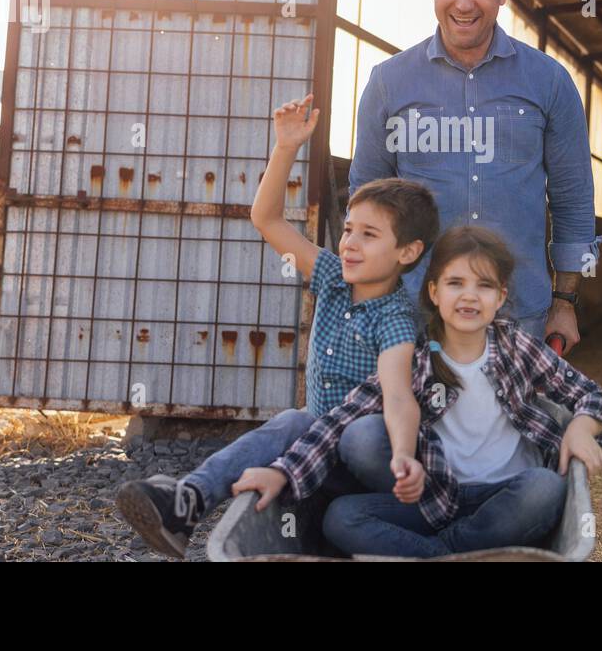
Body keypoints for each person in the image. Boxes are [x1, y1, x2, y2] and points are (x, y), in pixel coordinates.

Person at [115, 93, 439, 558]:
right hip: (315, 457)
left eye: (369, 235)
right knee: (297, 422)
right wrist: (286, 147)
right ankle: (188, 500)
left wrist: (405, 456)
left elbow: (398, 397)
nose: (349, 242)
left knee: (298, 420)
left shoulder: (396, 318)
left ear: (407, 252)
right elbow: (266, 218)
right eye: (348, 229)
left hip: (369, 464)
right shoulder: (331, 276)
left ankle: (193, 498)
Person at [233, 226, 602, 558]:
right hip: (438, 499)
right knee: (342, 516)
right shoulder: (413, 359)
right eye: (455, 283)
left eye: (483, 286)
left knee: (546, 488)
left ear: (499, 297)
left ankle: (433, 553)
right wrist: (283, 473)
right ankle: (458, 555)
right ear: (434, 292)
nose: (469, 296)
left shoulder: (516, 347)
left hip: (506, 496)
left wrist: (581, 427)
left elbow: (590, 395)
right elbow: (338, 421)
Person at [349, 0, 599, 352]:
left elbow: (572, 200)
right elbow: (365, 201)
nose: (463, 4)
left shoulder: (550, 83)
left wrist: (566, 301)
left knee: (515, 423)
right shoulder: (389, 83)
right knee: (415, 422)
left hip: (520, 317)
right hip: (417, 318)